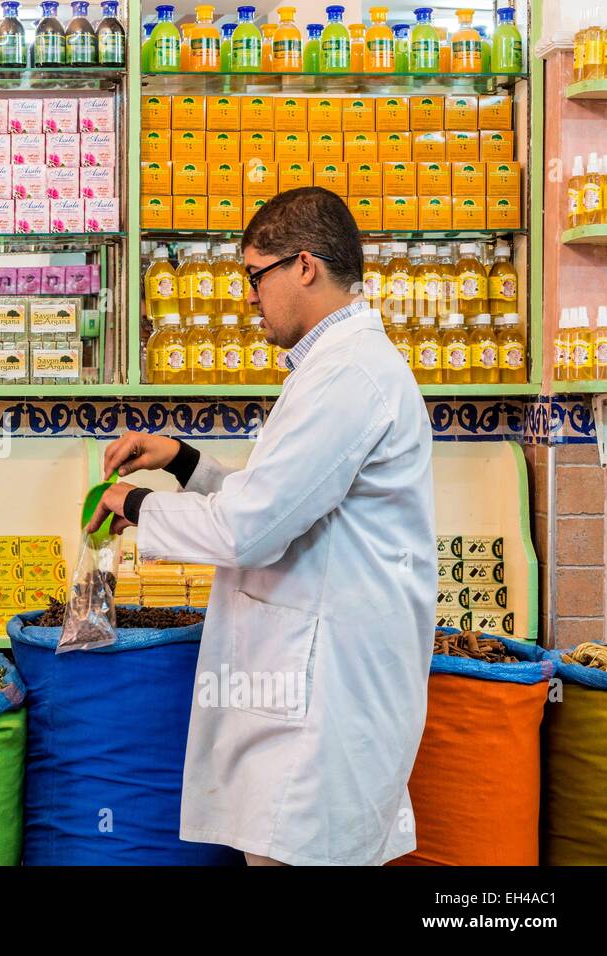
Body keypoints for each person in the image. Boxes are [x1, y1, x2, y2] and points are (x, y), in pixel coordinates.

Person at [86, 187, 435, 866]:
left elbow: (250, 530)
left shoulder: (350, 376)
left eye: (255, 274)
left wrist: (131, 505)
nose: (249, 296)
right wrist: (185, 463)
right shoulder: (330, 370)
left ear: (303, 266)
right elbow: (282, 502)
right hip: (310, 687)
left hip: (325, 698)